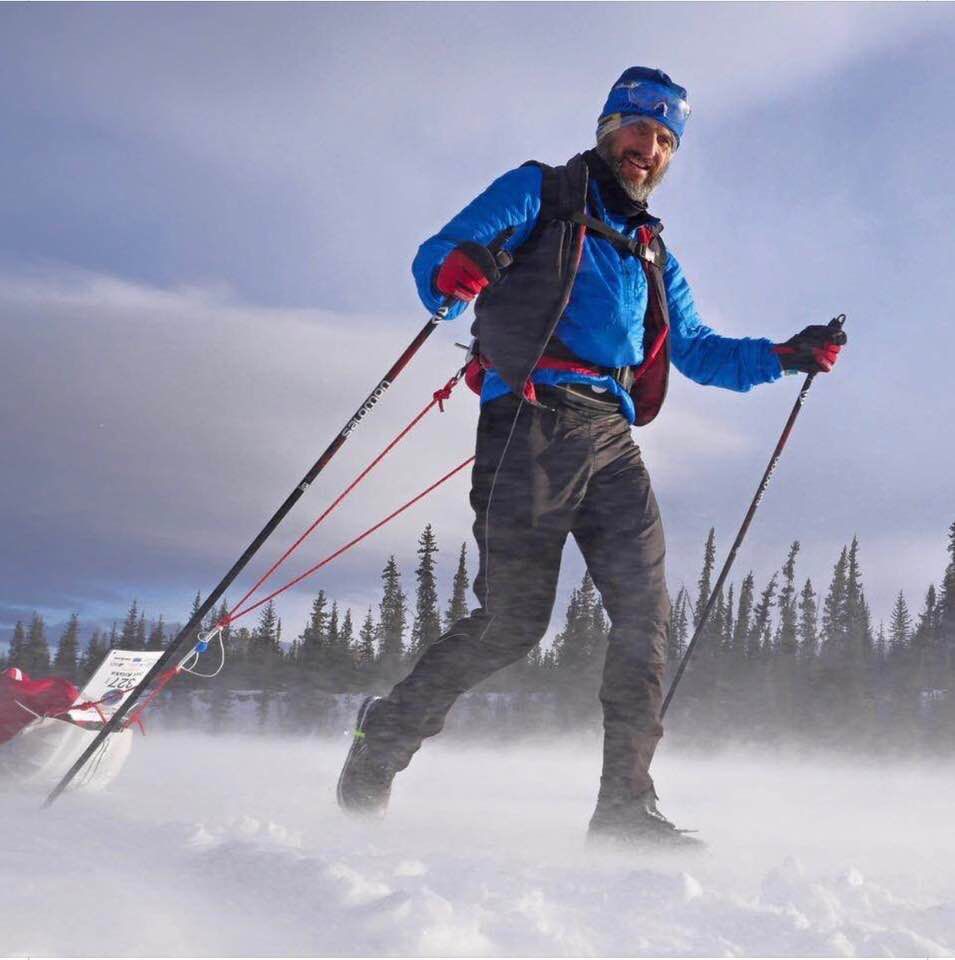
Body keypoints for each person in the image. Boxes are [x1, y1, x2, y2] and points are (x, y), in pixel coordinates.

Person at [337, 66, 845, 847]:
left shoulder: (649, 247)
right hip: (528, 420)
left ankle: (622, 810)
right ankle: (385, 735)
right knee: (512, 624)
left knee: (647, 618)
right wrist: (454, 271)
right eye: (638, 130)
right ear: (608, 128)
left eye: (665, 140)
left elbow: (699, 350)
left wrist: (786, 354)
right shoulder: (539, 190)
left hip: (609, 435)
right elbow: (440, 255)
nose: (648, 148)